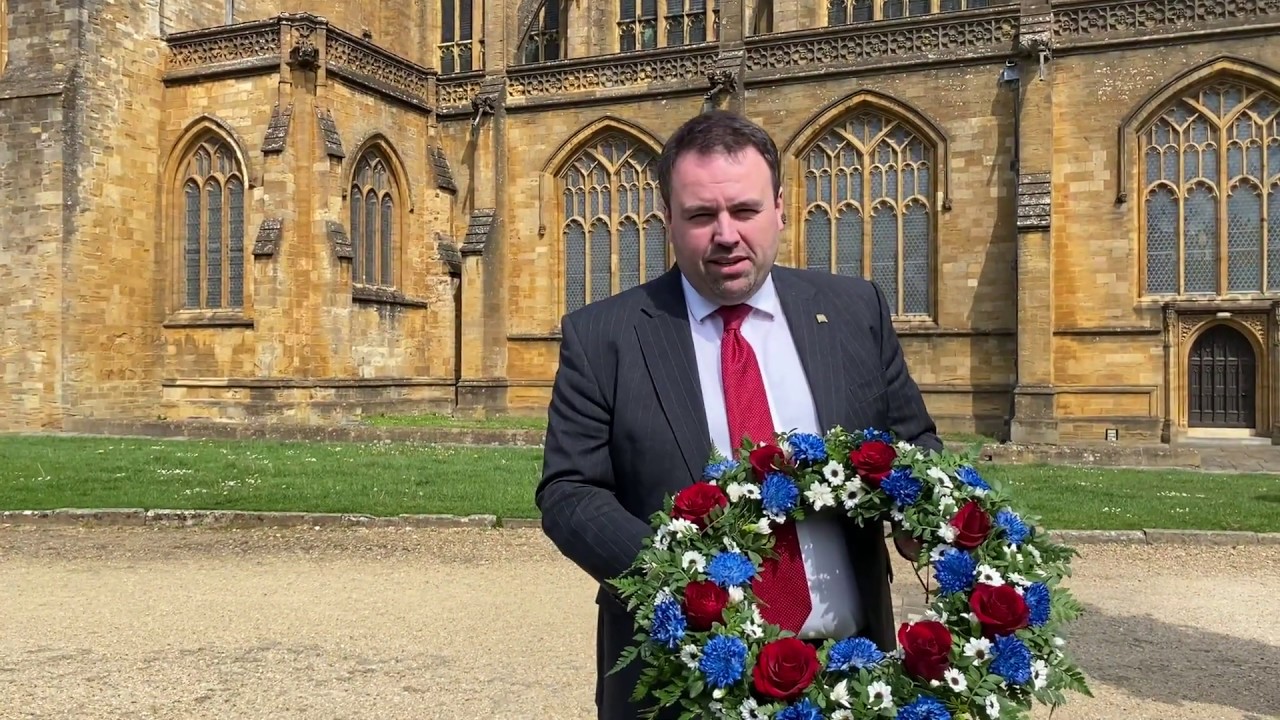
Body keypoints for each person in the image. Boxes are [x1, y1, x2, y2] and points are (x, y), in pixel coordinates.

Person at [535, 110, 943, 720]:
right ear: (668, 220)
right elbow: (569, 492)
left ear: (781, 207)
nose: (726, 234)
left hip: (849, 669)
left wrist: (927, 521)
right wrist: (677, 580)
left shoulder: (855, 310)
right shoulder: (604, 337)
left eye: (745, 211)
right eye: (701, 215)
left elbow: (914, 443)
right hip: (682, 673)